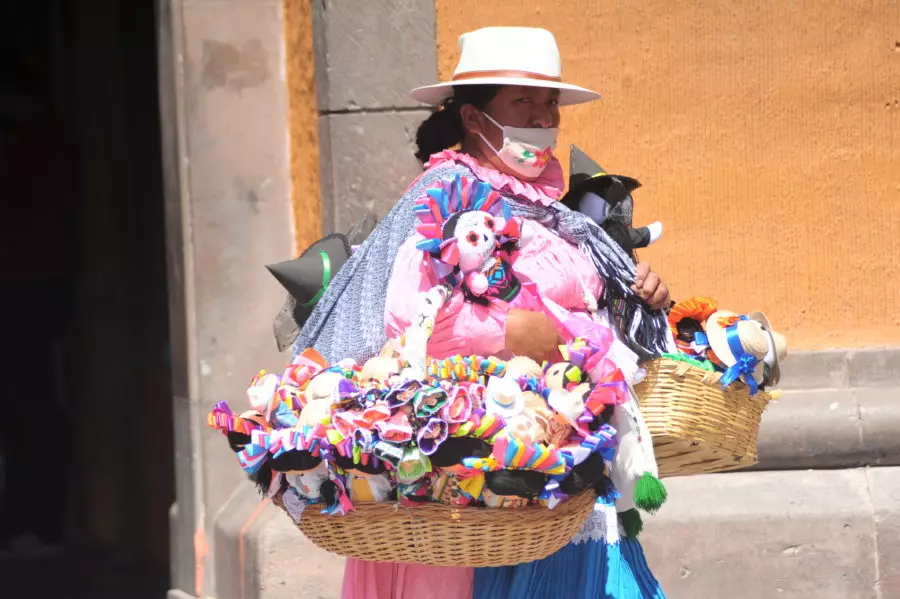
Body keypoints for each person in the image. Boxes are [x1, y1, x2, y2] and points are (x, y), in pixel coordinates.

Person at [296, 26, 670, 598]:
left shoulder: (548, 207)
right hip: (484, 476)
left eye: (550, 105)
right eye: (524, 103)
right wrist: (516, 332)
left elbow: (576, 301)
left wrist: (636, 297)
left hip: (562, 454)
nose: (543, 119)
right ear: (474, 118)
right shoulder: (449, 195)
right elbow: (411, 319)